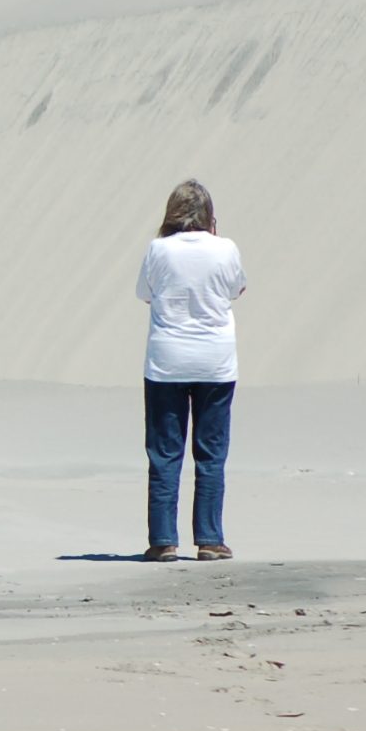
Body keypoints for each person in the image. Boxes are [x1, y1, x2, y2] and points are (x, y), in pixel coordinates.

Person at [136, 180, 246, 561]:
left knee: (166, 452)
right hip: (214, 361)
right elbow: (237, 289)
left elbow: (145, 293)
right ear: (208, 216)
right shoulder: (226, 248)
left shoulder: (158, 249)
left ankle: (164, 539)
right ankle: (210, 539)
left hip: (167, 360)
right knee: (211, 452)